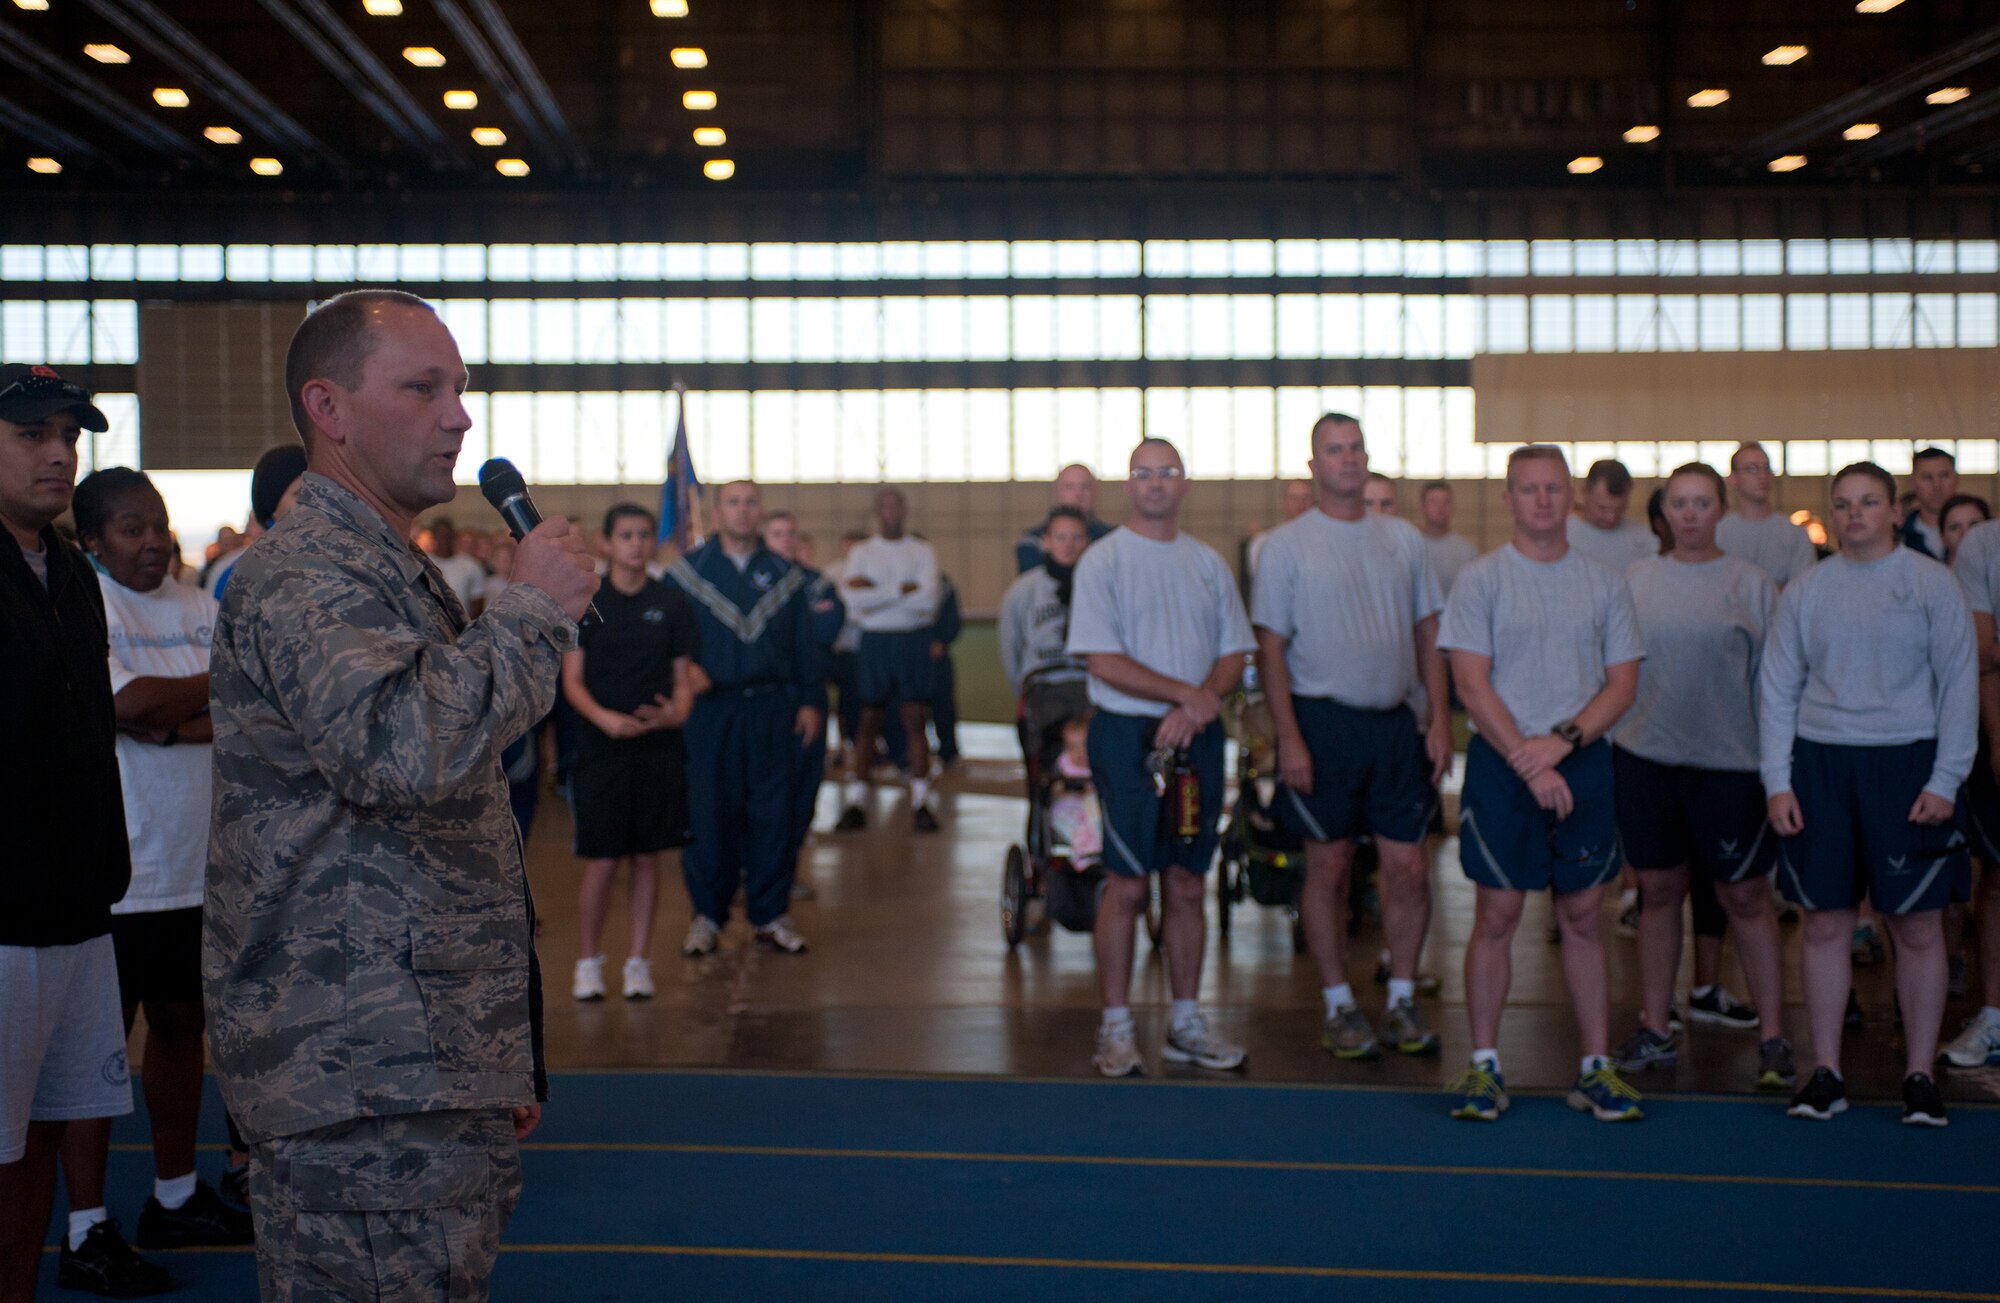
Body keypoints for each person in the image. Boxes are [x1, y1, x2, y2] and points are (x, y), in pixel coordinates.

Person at [205, 290, 600, 1302]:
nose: (458, 417)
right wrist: (527, 613)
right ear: (328, 408)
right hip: (361, 1072)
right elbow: (398, 750)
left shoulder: (386, 568)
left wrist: (491, 1043)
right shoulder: (305, 571)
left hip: (413, 1058)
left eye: (459, 389)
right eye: (423, 388)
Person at [53, 470, 253, 1297]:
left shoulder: (202, 607)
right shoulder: (85, 604)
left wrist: (167, 724)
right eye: (131, 529)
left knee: (181, 1028)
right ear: (93, 542)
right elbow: (127, 702)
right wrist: (203, 691)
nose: (152, 542)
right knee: (99, 1055)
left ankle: (174, 1195)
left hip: (195, 864)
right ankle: (86, 1226)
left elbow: (247, 711)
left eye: (158, 525)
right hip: (120, 870)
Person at [1761, 461, 1974, 1127]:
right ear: (1833, 514)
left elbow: (1959, 684)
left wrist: (1946, 778)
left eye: (1869, 501)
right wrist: (1777, 781)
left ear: (1893, 511)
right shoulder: (1808, 588)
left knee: (1916, 924)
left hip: (1909, 763)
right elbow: (1777, 687)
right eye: (1844, 503)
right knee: (1825, 922)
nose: (1855, 513)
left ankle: (1919, 1074)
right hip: (1822, 764)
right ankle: (1826, 1072)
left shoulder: (1931, 584)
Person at [1437, 444, 1644, 1123]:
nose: (1543, 500)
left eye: (1554, 488)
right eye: (1529, 489)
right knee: (1497, 915)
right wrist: (1531, 759)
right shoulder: (1480, 579)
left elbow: (1622, 684)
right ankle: (1485, 1066)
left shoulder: (1605, 583)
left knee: (1583, 919)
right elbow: (1471, 683)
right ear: (1508, 499)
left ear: (1571, 497)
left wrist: (1561, 744)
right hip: (1504, 762)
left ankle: (1595, 1068)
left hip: (1579, 760)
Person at [0, 365, 139, 1303]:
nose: (58, 453)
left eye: (70, 436)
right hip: (3, 923)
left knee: (40, 1141)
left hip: (80, 911)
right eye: (31, 434)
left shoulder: (74, 576)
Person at [1253, 414, 1452, 1062]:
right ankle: (1339, 1003)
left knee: (1409, 866)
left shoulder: (1403, 539)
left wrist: (1440, 720)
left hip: (1395, 724)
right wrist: (1289, 738)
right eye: (1334, 450)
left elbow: (1429, 632)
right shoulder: (1286, 546)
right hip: (1322, 723)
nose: (1348, 458)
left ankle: (1401, 996)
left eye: (1356, 448)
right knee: (1330, 865)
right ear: (1315, 465)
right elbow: (1270, 648)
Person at [1066, 437, 1255, 1077]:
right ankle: (1116, 1027)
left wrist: (1198, 707)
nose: (1155, 482)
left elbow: (1234, 652)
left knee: (1187, 881)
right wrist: (1185, 695)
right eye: (1144, 473)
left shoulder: (1207, 564)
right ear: (1128, 486)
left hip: (1196, 736)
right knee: (1126, 883)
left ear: (1184, 483)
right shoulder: (1104, 561)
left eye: (1167, 472)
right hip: (1128, 737)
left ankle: (1185, 1023)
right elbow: (1101, 659)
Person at [1607, 464, 1794, 1092]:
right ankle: (1654, 1026)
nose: (1690, 514)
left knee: (1746, 897)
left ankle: (1773, 1037)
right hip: (1647, 762)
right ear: (1664, 512)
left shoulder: (1753, 585)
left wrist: (1777, 773)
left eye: (1701, 503)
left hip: (1730, 769)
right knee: (1658, 894)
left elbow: (1774, 688)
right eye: (1679, 503)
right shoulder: (1636, 580)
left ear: (1720, 510)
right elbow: (1612, 674)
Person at [668, 482, 827, 956]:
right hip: (709, 711)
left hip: (771, 707)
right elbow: (669, 640)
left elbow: (805, 645)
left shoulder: (786, 576)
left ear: (760, 512)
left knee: (773, 814)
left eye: (750, 502)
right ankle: (706, 916)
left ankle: (770, 914)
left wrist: (811, 701)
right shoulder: (688, 573)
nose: (742, 510)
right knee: (707, 814)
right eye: (732, 502)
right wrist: (683, 671)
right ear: (717, 513)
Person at [562, 503, 698, 999]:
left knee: (646, 859)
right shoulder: (585, 602)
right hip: (602, 750)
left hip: (658, 749)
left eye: (643, 534)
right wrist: (606, 720)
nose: (636, 544)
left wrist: (673, 714)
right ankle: (588, 962)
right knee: (602, 861)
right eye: (625, 535)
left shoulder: (673, 603)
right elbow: (572, 681)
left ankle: (638, 962)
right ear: (606, 543)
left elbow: (684, 683)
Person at [837, 488, 944, 832]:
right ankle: (857, 801)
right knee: (868, 720)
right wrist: (902, 589)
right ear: (876, 511)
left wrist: (875, 592)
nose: (891, 511)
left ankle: (921, 801)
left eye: (896, 505)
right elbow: (853, 603)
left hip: (912, 639)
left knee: (915, 719)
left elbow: (928, 602)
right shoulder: (863, 552)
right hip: (875, 643)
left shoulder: (922, 551)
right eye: (885, 506)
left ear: (905, 509)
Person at [762, 510, 846, 899]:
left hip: (808, 696)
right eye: (777, 533)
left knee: (802, 788)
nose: (786, 540)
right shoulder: (749, 586)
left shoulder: (816, 584)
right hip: (766, 700)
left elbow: (826, 630)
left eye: (791, 533)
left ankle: (787, 872)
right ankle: (749, 872)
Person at [1944, 514, 2000, 1069]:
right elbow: (1983, 652)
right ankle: (1994, 1017)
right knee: (1996, 877)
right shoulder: (1984, 543)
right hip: (1994, 732)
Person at [206, 444, 307, 604]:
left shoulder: (335, 555)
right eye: (300, 493)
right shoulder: (243, 573)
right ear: (273, 505)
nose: (314, 500)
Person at [1718, 442, 1816, 588]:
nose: (1762, 476)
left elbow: (1802, 591)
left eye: (1767, 468)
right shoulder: (1717, 534)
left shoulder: (1795, 535)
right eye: (1752, 469)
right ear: (1732, 478)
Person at [1015, 462, 1114, 572]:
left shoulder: (1112, 539)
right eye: (1069, 487)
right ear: (1057, 491)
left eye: (1085, 487)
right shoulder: (1032, 541)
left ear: (1096, 492)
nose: (1078, 495)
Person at [1565, 457, 1657, 575]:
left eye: (1619, 509)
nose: (1611, 517)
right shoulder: (1563, 537)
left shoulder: (1647, 539)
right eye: (1602, 508)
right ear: (1584, 492)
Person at [1416, 480, 1478, 599]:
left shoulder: (1467, 551)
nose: (1441, 507)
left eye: (1446, 502)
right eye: (1434, 502)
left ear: (1453, 507)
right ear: (1422, 508)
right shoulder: (1412, 549)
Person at [1245, 478, 1314, 584]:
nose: (1300, 503)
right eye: (1293, 498)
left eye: (1305, 498)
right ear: (1283, 501)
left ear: (1313, 501)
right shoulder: (1264, 542)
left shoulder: (1325, 542)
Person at [1898, 447, 1959, 560]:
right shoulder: (1897, 538)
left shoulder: (1976, 534)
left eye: (1944, 476)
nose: (1937, 485)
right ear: (1912, 482)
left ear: (1956, 479)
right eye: (1927, 477)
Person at [425, 516, 489, 618]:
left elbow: (477, 600)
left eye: (447, 535)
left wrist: (467, 625)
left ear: (453, 536)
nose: (443, 539)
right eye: (440, 535)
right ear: (433, 537)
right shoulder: (422, 562)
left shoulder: (471, 565)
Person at [1941, 493, 1991, 563]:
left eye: (1974, 525)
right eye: (1955, 527)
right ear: (1943, 538)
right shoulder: (1930, 570)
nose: (1965, 533)